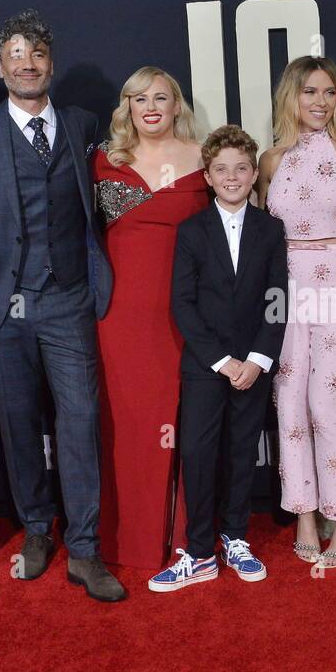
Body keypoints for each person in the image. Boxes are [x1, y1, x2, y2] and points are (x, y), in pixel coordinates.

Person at [0, 10, 124, 602]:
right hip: (5, 306)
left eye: (38, 54)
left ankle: (85, 550)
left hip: (70, 299)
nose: (28, 64)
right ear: (0, 66)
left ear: (51, 62)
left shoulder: (82, 125)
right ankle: (34, 530)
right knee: (19, 425)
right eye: (15, 55)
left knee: (78, 423)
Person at [153, 125, 288, 591]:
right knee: (197, 452)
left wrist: (256, 359)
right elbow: (182, 304)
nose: (232, 177)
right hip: (206, 366)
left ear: (254, 174)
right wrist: (220, 361)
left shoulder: (271, 229)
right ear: (207, 176)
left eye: (241, 169)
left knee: (240, 451)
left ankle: (236, 538)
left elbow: (276, 298)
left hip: (254, 364)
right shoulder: (192, 230)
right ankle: (198, 550)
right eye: (221, 169)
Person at [258, 56, 336, 568]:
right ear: (291, 96)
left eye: (330, 93)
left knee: (327, 406)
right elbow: (265, 238)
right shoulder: (269, 160)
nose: (320, 102)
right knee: (288, 405)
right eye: (310, 91)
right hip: (286, 290)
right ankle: (305, 513)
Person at [92, 67, 208, 570]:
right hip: (122, 317)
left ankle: (189, 536)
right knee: (131, 421)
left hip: (187, 311)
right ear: (128, 108)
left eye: (161, 97)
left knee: (187, 420)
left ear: (177, 104)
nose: (152, 106)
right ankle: (129, 540)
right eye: (140, 98)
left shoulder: (205, 157)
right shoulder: (103, 159)